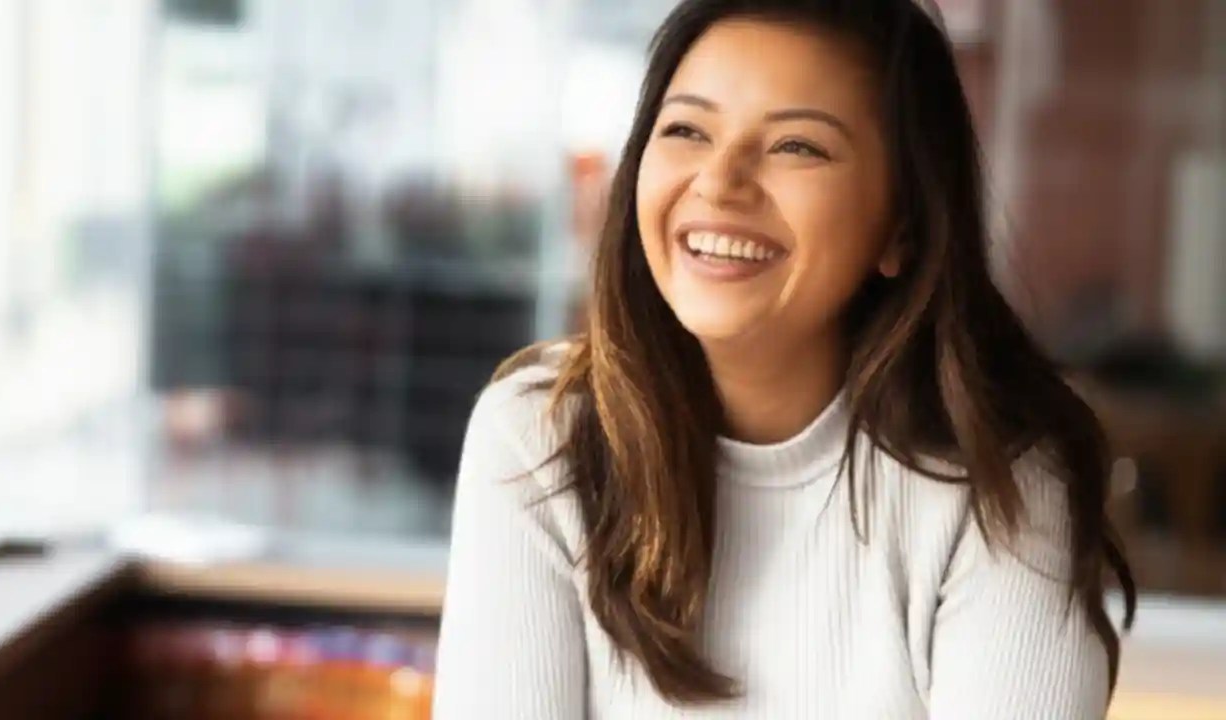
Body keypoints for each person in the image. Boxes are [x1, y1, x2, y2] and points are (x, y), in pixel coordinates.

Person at [432, 0, 1136, 717]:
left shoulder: (1001, 480)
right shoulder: (541, 437)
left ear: (904, 226)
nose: (719, 181)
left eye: (798, 146)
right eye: (686, 130)